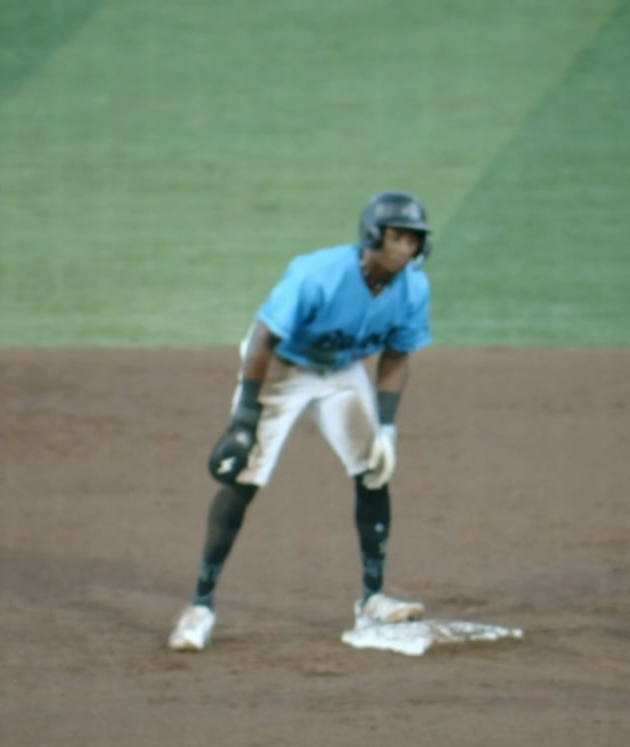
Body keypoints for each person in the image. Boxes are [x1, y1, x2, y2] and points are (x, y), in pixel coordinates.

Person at [168, 190, 436, 651]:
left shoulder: (413, 288)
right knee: (244, 475)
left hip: (342, 371)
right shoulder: (318, 276)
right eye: (398, 237)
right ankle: (200, 606)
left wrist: (386, 427)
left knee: (374, 469)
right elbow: (261, 340)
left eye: (414, 240)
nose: (406, 248)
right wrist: (246, 417)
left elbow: (396, 355)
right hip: (282, 369)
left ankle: (372, 599)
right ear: (373, 235)